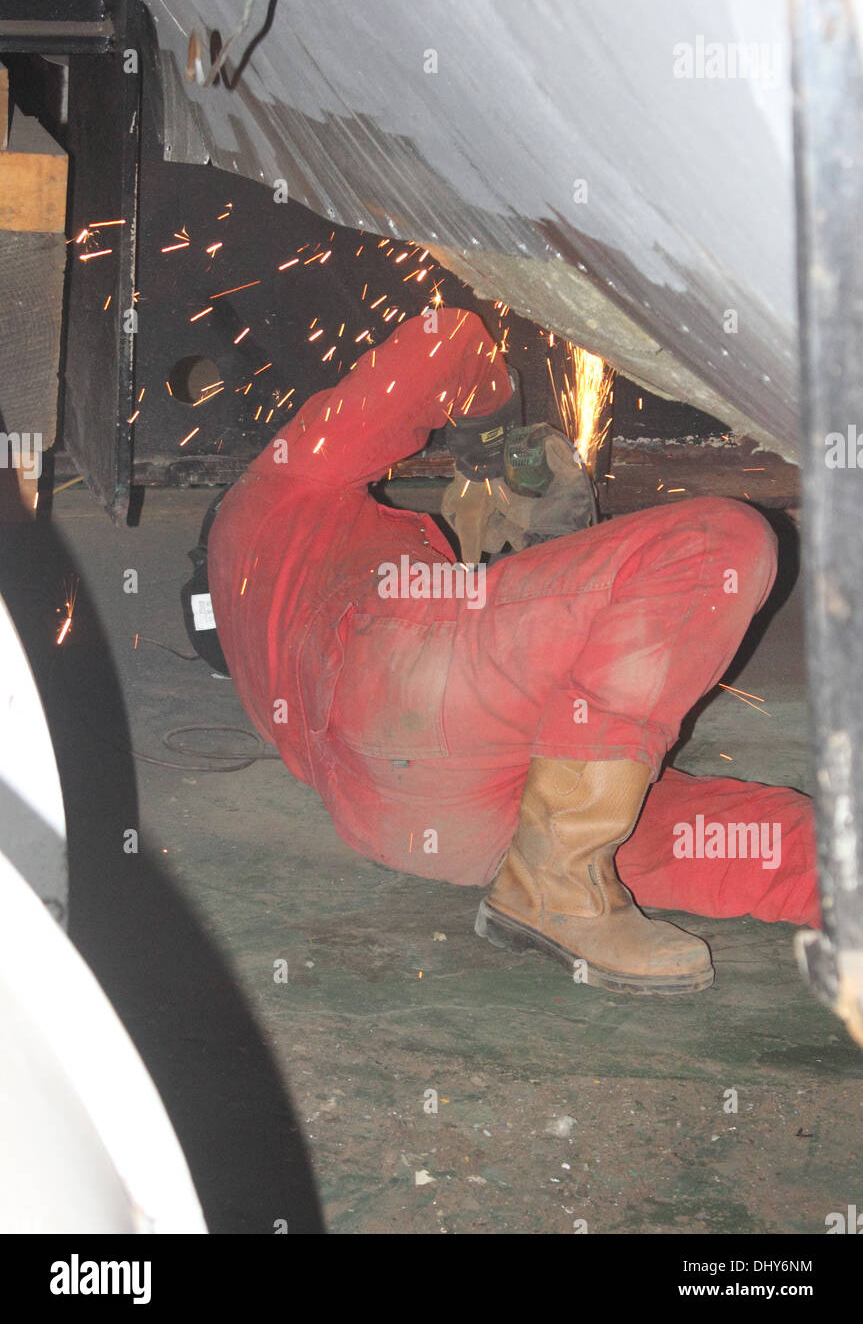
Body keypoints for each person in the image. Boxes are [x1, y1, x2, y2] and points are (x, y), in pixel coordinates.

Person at [208, 308, 819, 996]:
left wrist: (543, 559)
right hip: (409, 681)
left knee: (707, 838)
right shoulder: (272, 489)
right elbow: (448, 336)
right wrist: (489, 436)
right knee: (715, 545)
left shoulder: (263, 656)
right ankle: (555, 880)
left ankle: (558, 874)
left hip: (422, 823)